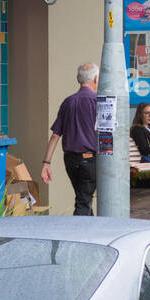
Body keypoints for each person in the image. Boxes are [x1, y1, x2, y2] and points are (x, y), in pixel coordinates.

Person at [41, 63, 99, 216]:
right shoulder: (98, 101)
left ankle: (89, 233)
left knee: (83, 198)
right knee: (83, 201)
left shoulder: (68, 102)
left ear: (77, 78)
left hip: (70, 161)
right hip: (90, 159)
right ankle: (76, 235)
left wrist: (46, 163)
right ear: (96, 79)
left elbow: (55, 135)